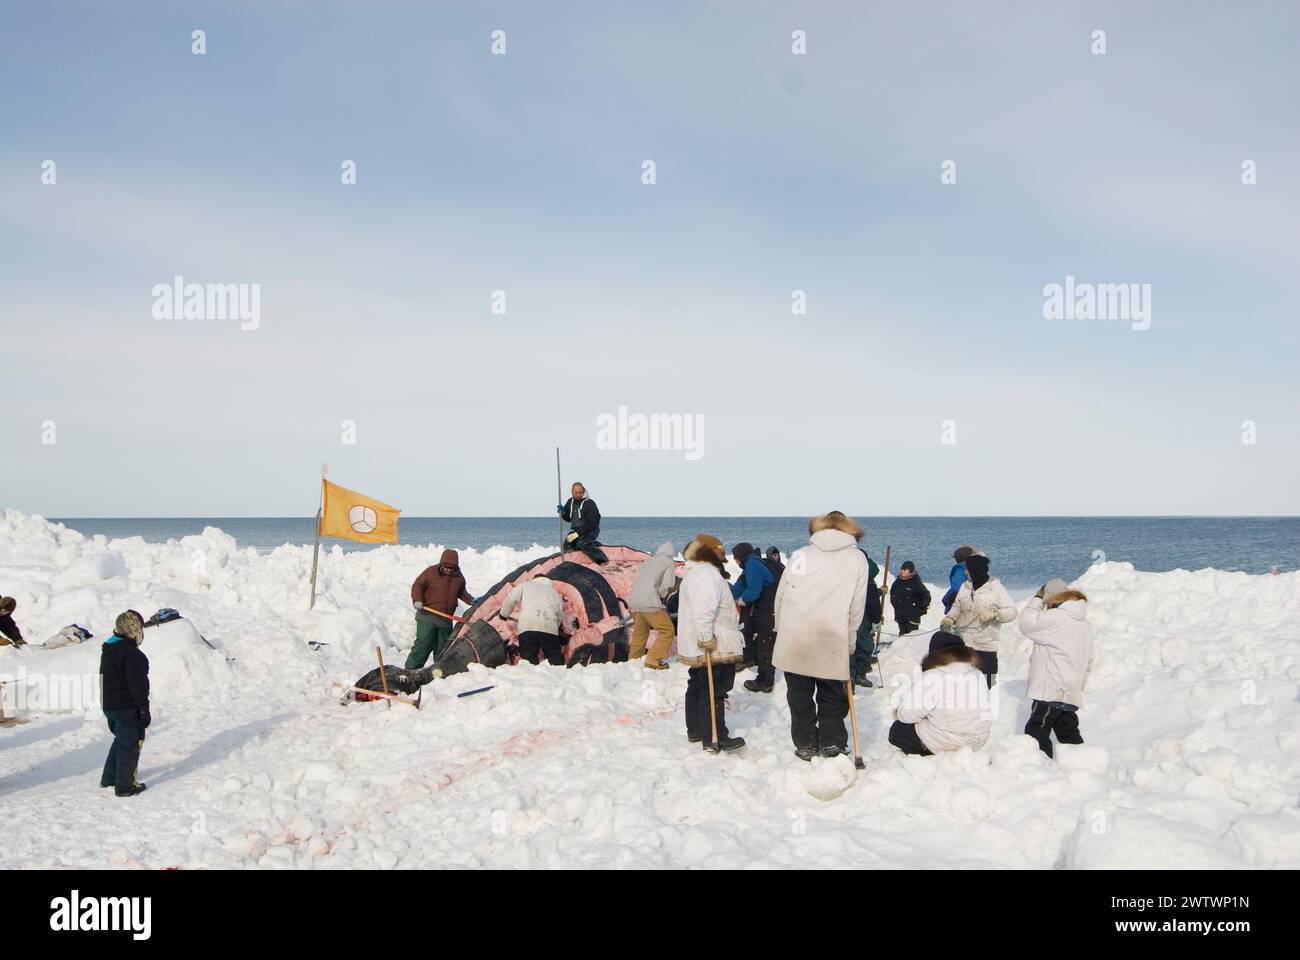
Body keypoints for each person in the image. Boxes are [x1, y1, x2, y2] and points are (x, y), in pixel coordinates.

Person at [773, 512, 869, 760]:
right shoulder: (857, 559)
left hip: (796, 634)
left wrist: (780, 628)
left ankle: (805, 743)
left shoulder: (801, 554)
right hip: (831, 633)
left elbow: (781, 596)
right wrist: (849, 641)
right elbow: (856, 607)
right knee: (833, 695)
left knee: (799, 694)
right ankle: (832, 742)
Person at [677, 534, 745, 752]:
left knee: (698, 684)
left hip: (702, 639)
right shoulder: (707, 574)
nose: (723, 553)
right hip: (714, 642)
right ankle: (715, 736)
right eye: (719, 549)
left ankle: (696, 730)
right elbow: (704, 610)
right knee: (713, 688)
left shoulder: (697, 572)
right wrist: (707, 639)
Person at [1018, 578, 1095, 758]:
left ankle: (1040, 768)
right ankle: (1082, 766)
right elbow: (1089, 660)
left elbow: (1026, 623)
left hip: (1051, 687)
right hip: (1070, 690)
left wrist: (1037, 598)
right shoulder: (1083, 623)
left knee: (1036, 733)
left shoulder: (1055, 617)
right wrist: (1077, 686)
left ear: (1051, 598)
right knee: (1068, 733)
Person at [888, 631, 992, 756]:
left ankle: (930, 755)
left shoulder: (933, 676)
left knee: (898, 730)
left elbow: (907, 716)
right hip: (978, 740)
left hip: (949, 741)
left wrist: (900, 710)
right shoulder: (977, 673)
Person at [942, 552, 1015, 688]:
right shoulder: (965, 587)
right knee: (965, 685)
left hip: (986, 647)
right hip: (965, 644)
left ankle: (989, 706)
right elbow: (958, 606)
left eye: (967, 569)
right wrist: (949, 618)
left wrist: (994, 614)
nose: (965, 572)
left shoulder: (995, 589)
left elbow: (1011, 612)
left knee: (987, 686)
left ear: (976, 571)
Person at [99, 610, 150, 797]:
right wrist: (143, 708)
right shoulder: (132, 654)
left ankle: (110, 777)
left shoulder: (109, 650)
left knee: (121, 738)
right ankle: (125, 785)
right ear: (134, 630)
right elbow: (138, 685)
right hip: (126, 706)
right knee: (130, 744)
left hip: (109, 705)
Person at [408, 550, 475, 669]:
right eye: (447, 567)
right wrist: (417, 600)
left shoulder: (459, 577)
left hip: (445, 620)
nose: (449, 570)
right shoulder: (430, 573)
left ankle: (438, 673)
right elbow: (417, 585)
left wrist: (471, 600)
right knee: (423, 645)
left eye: (452, 568)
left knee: (443, 650)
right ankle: (411, 671)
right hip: (427, 616)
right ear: (442, 564)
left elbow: (462, 593)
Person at [731, 542, 777, 692]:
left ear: (741, 557)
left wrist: (741, 600)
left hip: (768, 610)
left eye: (736, 558)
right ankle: (758, 669)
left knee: (765, 645)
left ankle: (765, 681)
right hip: (763, 609)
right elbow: (741, 585)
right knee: (759, 641)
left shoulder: (753, 565)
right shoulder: (751, 565)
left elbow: (754, 590)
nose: (735, 561)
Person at [628, 541, 677, 669]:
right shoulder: (668, 562)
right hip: (649, 601)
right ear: (671, 554)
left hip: (635, 600)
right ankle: (653, 659)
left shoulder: (649, 561)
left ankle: (633, 661)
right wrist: (662, 595)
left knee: (640, 633)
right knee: (667, 630)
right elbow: (667, 584)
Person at [500, 576, 568, 666]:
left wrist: (504, 614)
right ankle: (559, 675)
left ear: (535, 579)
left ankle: (531, 677)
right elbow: (559, 615)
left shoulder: (526, 585)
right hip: (549, 627)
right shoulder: (555, 593)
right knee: (554, 656)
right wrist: (555, 628)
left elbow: (511, 599)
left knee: (529, 659)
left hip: (528, 626)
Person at [850, 550, 881, 688]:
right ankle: (859, 675)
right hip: (862, 617)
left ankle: (851, 676)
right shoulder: (867, 580)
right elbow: (872, 602)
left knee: (851, 647)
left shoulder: (846, 575)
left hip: (846, 616)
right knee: (864, 646)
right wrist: (876, 618)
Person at [557, 482, 609, 565]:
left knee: (583, 543)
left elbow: (592, 523)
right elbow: (568, 518)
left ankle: (603, 560)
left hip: (590, 530)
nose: (578, 494)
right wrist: (563, 513)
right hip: (577, 531)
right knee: (567, 544)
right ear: (572, 492)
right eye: (576, 493)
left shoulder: (590, 503)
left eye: (580, 492)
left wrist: (578, 534)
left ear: (583, 491)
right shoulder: (570, 502)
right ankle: (573, 562)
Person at [889, 561, 931, 636]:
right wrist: (894, 602)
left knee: (911, 637)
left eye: (905, 569)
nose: (902, 571)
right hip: (900, 615)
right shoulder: (898, 581)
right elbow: (892, 592)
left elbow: (926, 595)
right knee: (902, 636)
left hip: (912, 617)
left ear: (910, 571)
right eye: (902, 569)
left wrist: (921, 609)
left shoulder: (915, 582)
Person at [941, 545, 975, 613]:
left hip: (960, 609)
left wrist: (945, 599)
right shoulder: (977, 568)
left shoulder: (960, 570)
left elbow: (956, 589)